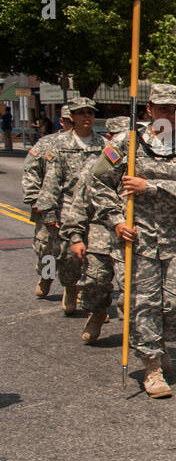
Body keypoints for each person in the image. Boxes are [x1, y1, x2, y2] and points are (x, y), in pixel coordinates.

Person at [89, 83, 176, 398]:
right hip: (138, 236)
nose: (169, 116)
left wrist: (152, 186)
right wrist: (115, 221)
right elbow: (96, 180)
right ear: (149, 110)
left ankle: (156, 341)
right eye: (163, 109)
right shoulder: (126, 143)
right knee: (144, 302)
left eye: (175, 110)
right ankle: (152, 366)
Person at [33, 97, 106, 317]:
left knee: (96, 256)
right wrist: (48, 212)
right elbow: (52, 181)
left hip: (95, 209)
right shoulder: (58, 145)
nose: (87, 116)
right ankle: (69, 285)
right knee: (66, 255)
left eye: (90, 113)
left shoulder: (103, 145)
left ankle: (94, 300)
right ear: (71, 117)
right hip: (67, 207)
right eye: (81, 113)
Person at [63, 115, 129, 343]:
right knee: (95, 283)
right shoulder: (95, 167)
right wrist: (75, 236)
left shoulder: (140, 167)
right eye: (120, 138)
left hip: (130, 236)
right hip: (100, 235)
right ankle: (97, 313)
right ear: (109, 138)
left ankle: (138, 332)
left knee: (132, 290)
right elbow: (80, 203)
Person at [23, 107, 69, 297]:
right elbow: (31, 171)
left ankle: (77, 289)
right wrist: (34, 199)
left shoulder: (95, 144)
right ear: (63, 121)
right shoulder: (46, 144)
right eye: (67, 120)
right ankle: (47, 277)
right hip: (48, 205)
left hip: (77, 207)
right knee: (47, 249)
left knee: (78, 251)